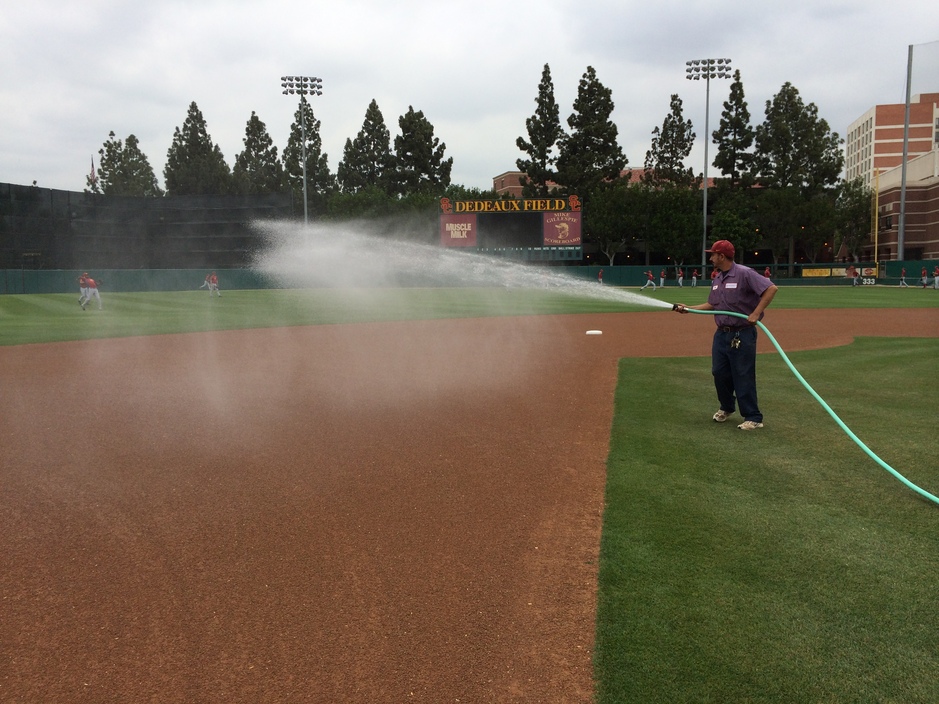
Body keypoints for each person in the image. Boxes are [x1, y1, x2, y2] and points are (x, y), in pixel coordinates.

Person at [673, 240, 778, 431]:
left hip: (742, 333)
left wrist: (756, 313)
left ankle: (753, 417)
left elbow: (771, 288)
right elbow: (713, 304)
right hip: (721, 334)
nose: (710, 257)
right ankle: (727, 407)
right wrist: (690, 309)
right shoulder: (717, 278)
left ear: (721, 256)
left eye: (713, 254)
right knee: (718, 372)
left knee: (743, 374)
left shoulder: (744, 273)